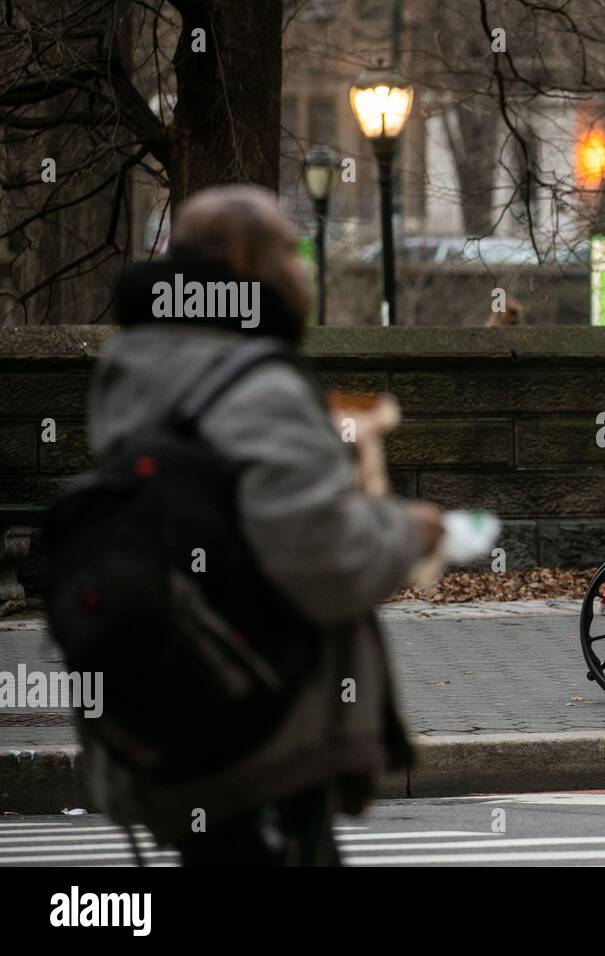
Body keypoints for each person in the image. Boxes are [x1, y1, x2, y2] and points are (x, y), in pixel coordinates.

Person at [85, 184, 443, 865]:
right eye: (289, 249)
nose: (301, 265)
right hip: (262, 733)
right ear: (245, 259)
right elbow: (324, 562)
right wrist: (407, 530)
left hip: (181, 708)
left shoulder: (135, 367)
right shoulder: (259, 386)